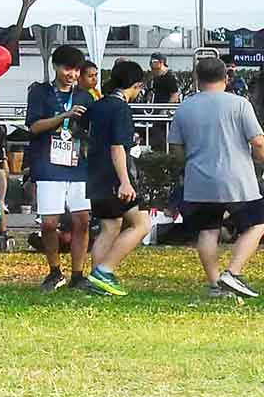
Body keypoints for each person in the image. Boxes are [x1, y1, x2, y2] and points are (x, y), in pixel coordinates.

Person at [172, 55, 264, 299]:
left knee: (208, 231)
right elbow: (258, 141)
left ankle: (215, 285)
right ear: (226, 77)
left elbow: (176, 150)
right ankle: (232, 273)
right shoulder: (240, 104)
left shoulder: (184, 107)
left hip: (199, 180)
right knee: (256, 225)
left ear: (196, 79)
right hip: (237, 179)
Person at [22, 46, 94, 291]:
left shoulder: (85, 96)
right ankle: (54, 271)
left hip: (77, 165)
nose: (71, 74)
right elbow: (34, 127)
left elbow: (90, 130)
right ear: (55, 67)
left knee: (82, 220)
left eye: (75, 70)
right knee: (49, 223)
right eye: (67, 69)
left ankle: (78, 274)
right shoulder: (40, 92)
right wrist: (64, 116)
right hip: (48, 164)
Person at [84, 60, 152, 297]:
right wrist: (125, 181)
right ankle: (105, 270)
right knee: (142, 225)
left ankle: (96, 281)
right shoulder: (120, 107)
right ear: (137, 85)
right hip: (115, 176)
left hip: (95, 175)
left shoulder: (98, 105)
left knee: (110, 226)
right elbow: (118, 147)